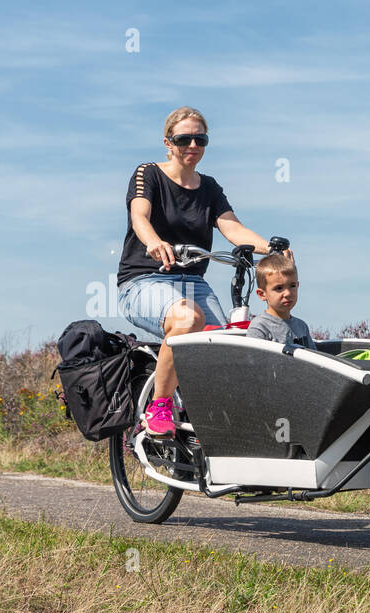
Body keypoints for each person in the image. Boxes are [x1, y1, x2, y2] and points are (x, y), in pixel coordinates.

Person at [116, 106, 294, 436]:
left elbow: (234, 229)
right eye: (184, 139)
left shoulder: (209, 187)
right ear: (168, 142)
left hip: (193, 283)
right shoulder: (148, 173)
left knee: (230, 344)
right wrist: (155, 242)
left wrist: (272, 251)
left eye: (200, 139)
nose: (193, 145)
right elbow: (139, 216)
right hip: (144, 279)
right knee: (188, 320)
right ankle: (159, 405)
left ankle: (216, 432)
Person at [246, 254, 317, 350]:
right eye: (279, 288)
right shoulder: (260, 327)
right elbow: (254, 362)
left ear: (298, 285)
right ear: (262, 294)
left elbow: (313, 360)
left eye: (292, 286)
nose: (287, 293)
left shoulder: (302, 326)